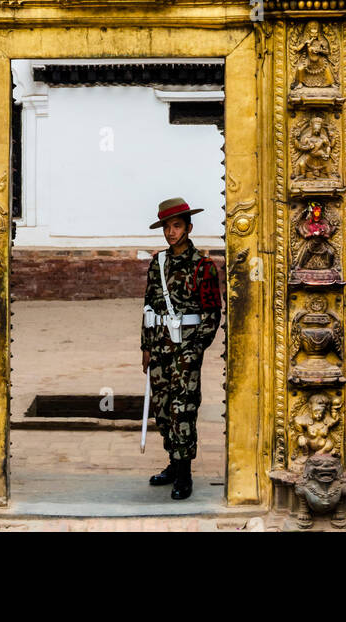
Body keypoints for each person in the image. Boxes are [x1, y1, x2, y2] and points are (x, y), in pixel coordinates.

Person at [141, 197, 222, 501]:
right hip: (159, 346)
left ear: (189, 227)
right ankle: (173, 464)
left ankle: (184, 472)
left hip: (187, 347)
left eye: (176, 226)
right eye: (166, 227)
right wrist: (146, 347)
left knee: (183, 408)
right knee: (162, 408)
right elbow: (148, 307)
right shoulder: (158, 263)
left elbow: (212, 313)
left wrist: (196, 347)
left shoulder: (203, 266)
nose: (171, 232)